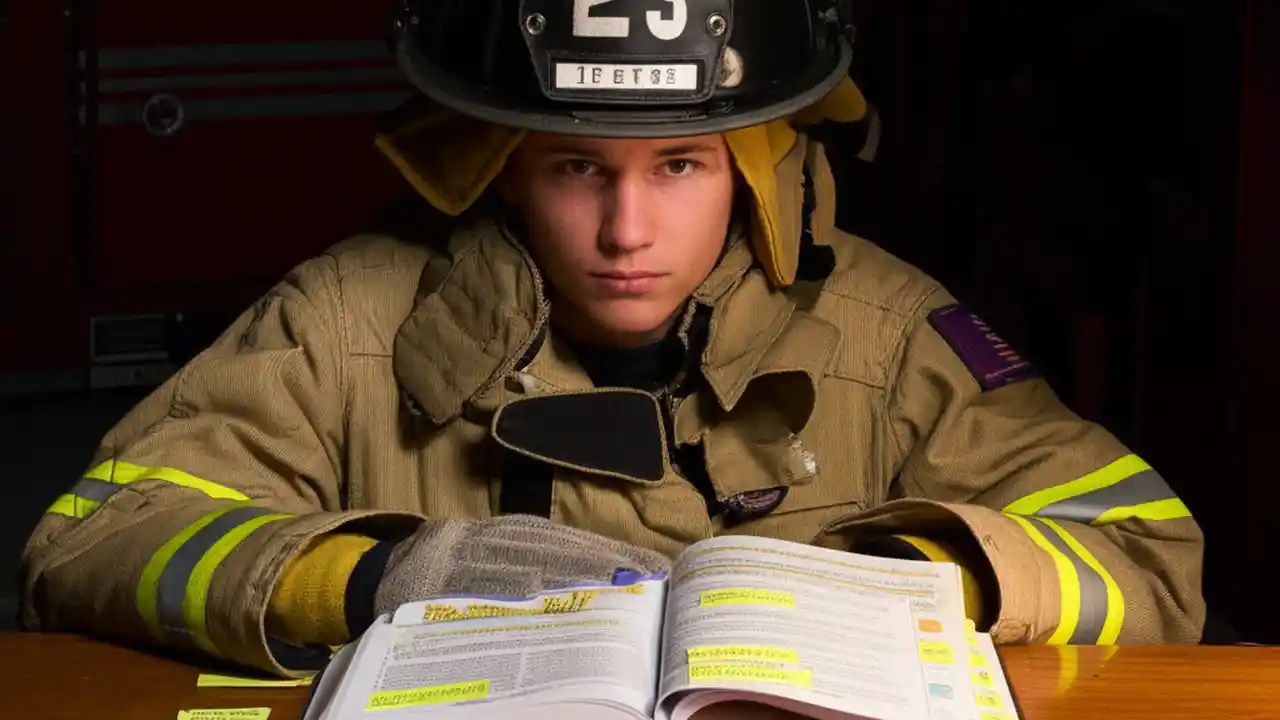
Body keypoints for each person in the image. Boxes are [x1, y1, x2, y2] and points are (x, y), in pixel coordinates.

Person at [19, 0, 1204, 679]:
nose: (625, 231)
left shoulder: (890, 334)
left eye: (678, 166)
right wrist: (374, 577)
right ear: (492, 171)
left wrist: (926, 580)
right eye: (576, 165)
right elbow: (86, 543)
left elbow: (1150, 560)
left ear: (755, 169)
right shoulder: (343, 317)